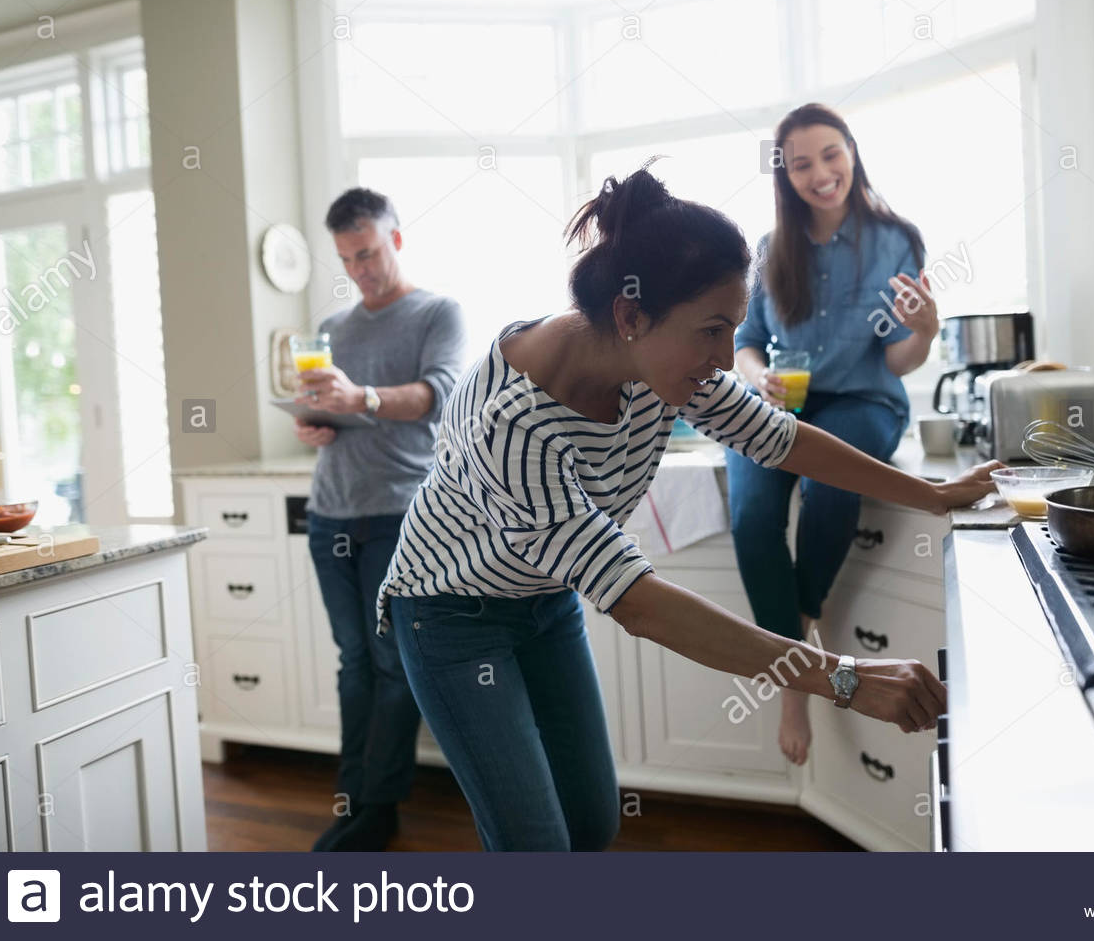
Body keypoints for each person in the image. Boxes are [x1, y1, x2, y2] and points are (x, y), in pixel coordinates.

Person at [375, 166, 997, 852]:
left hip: (543, 602)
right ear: (631, 315)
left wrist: (933, 494)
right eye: (712, 331)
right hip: (452, 617)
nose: (725, 355)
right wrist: (844, 679)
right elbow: (637, 603)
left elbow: (780, 437)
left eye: (731, 327)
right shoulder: (512, 424)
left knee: (592, 823)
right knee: (535, 848)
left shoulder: (655, 361)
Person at [727, 103, 940, 766]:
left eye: (831, 154)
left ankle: (795, 673)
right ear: (784, 176)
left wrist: (927, 330)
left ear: (852, 150)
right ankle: (799, 661)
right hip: (783, 405)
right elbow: (745, 343)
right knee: (753, 515)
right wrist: (757, 376)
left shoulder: (897, 239)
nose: (821, 174)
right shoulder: (768, 251)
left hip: (862, 401)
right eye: (801, 164)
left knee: (829, 488)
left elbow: (900, 357)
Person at [295, 187, 466, 850]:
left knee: (394, 665)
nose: (359, 270)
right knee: (353, 663)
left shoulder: (437, 312)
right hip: (329, 516)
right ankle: (354, 802)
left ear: (395, 239)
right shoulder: (334, 330)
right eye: (346, 259)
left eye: (366, 253)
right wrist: (315, 424)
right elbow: (331, 413)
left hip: (401, 517)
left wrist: (360, 396)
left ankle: (377, 806)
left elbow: (442, 398)